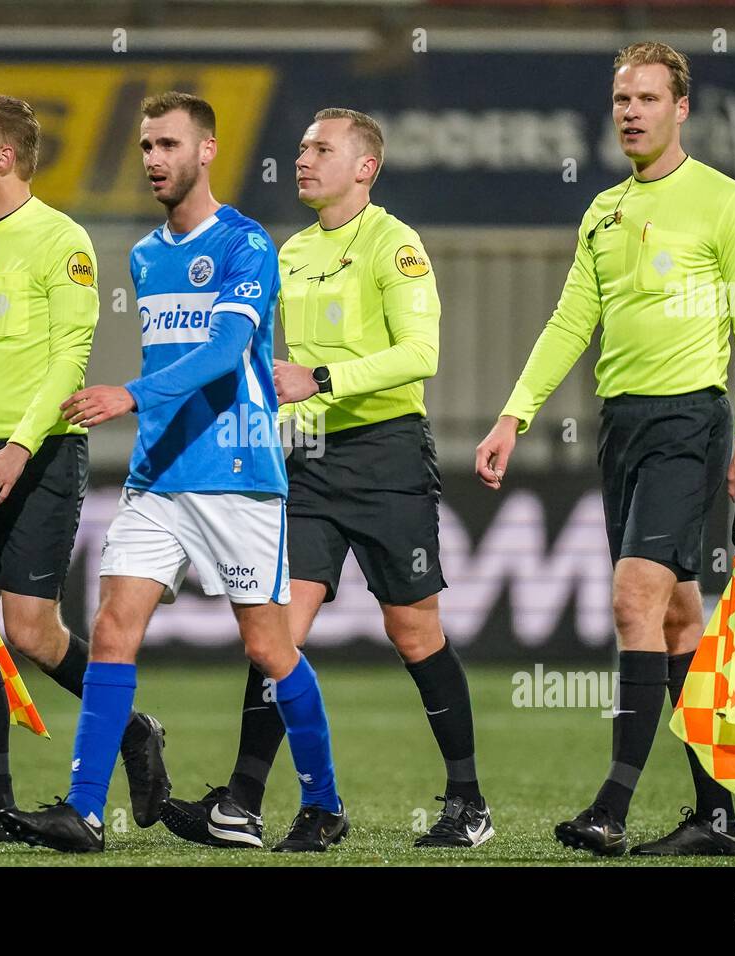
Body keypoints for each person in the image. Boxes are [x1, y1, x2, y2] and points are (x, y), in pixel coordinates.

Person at [0, 92, 347, 854]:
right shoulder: (146, 255)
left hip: (237, 473)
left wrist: (127, 394)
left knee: (269, 650)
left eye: (167, 144)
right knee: (113, 629)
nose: (153, 158)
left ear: (208, 150)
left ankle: (324, 802)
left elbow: (223, 354)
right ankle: (85, 811)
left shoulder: (247, 245)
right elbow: (176, 359)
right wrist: (143, 415)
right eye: (147, 145)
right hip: (158, 479)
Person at [475, 42, 735, 856]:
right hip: (623, 428)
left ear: (682, 108)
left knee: (631, 598)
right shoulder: (602, 211)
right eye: (621, 99)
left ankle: (611, 807)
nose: (631, 111)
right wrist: (514, 416)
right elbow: (573, 320)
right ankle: (717, 818)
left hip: (691, 422)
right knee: (678, 617)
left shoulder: (725, 203)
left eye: (647, 98)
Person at [163, 108, 491, 850]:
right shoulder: (291, 252)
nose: (303, 159)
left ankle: (468, 803)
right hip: (306, 460)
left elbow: (420, 353)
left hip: (388, 456)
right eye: (302, 145)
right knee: (273, 633)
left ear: (364, 167)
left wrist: (321, 377)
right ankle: (246, 804)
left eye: (322, 149)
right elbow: (268, 372)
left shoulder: (394, 244)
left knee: (414, 632)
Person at [0, 94, 169, 845]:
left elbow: (70, 360)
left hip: (42, 454)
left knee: (31, 630)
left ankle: (132, 730)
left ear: (3, 156)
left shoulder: (62, 241)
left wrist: (19, 448)